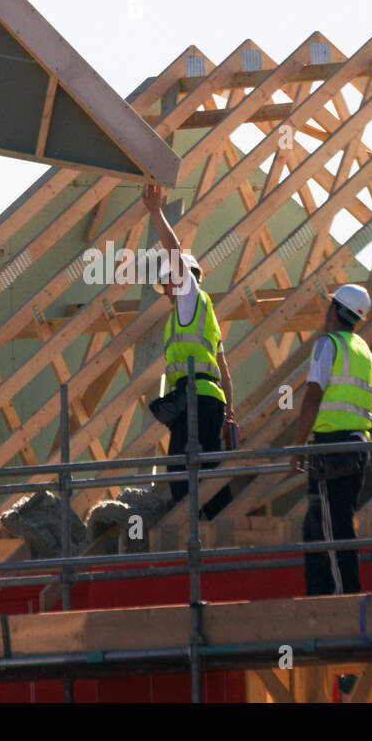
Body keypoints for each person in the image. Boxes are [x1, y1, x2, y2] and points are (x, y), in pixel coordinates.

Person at [143, 184, 235, 520]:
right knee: (207, 472)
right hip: (208, 400)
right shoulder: (201, 315)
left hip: (196, 399)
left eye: (167, 283)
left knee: (181, 473)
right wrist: (229, 415)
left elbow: (173, 251)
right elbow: (223, 368)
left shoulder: (189, 298)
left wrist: (155, 211)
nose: (165, 291)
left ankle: (188, 535)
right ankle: (219, 532)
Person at [290, 285, 372, 595]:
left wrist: (299, 446)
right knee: (319, 525)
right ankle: (320, 599)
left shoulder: (328, 345)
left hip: (331, 449)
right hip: (355, 449)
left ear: (335, 311)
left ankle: (343, 602)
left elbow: (313, 396)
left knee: (330, 530)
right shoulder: (365, 352)